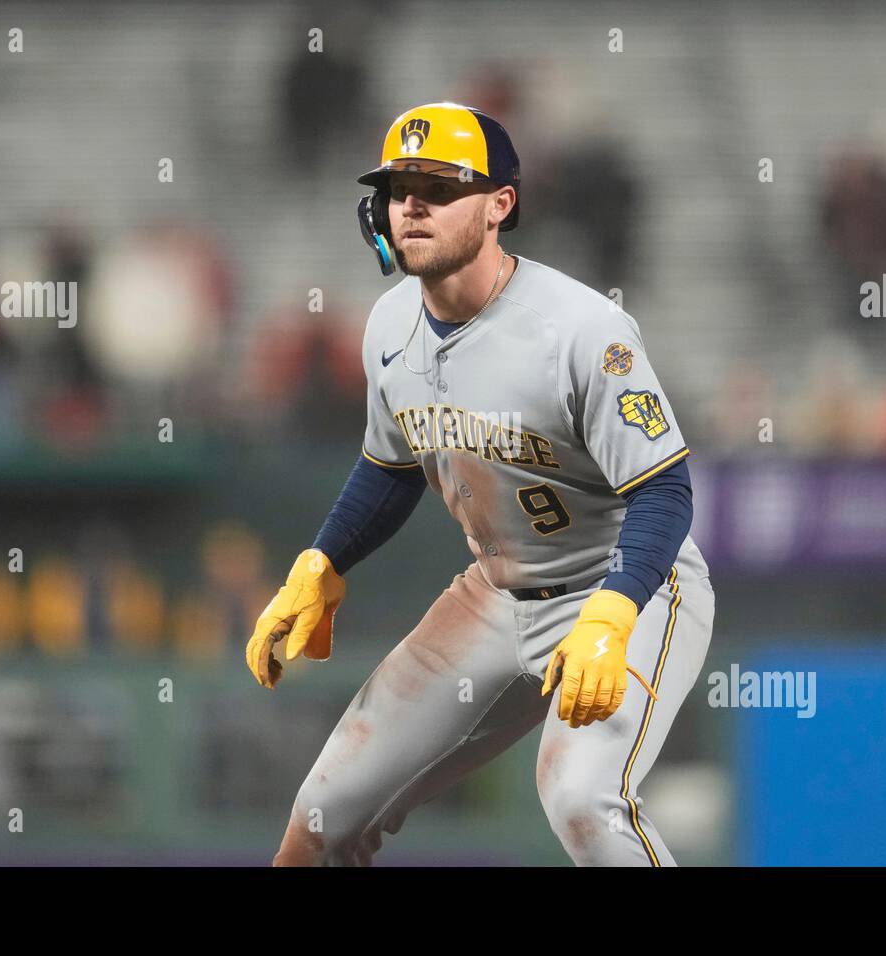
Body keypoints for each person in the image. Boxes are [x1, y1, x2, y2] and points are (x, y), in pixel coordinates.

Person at [247, 103, 714, 866]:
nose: (412, 205)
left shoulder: (581, 329)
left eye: (439, 186)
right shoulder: (389, 324)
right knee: (324, 815)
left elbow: (665, 493)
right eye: (398, 188)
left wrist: (614, 612)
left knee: (583, 802)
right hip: (495, 593)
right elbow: (390, 465)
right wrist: (322, 563)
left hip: (625, 588)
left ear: (501, 205)